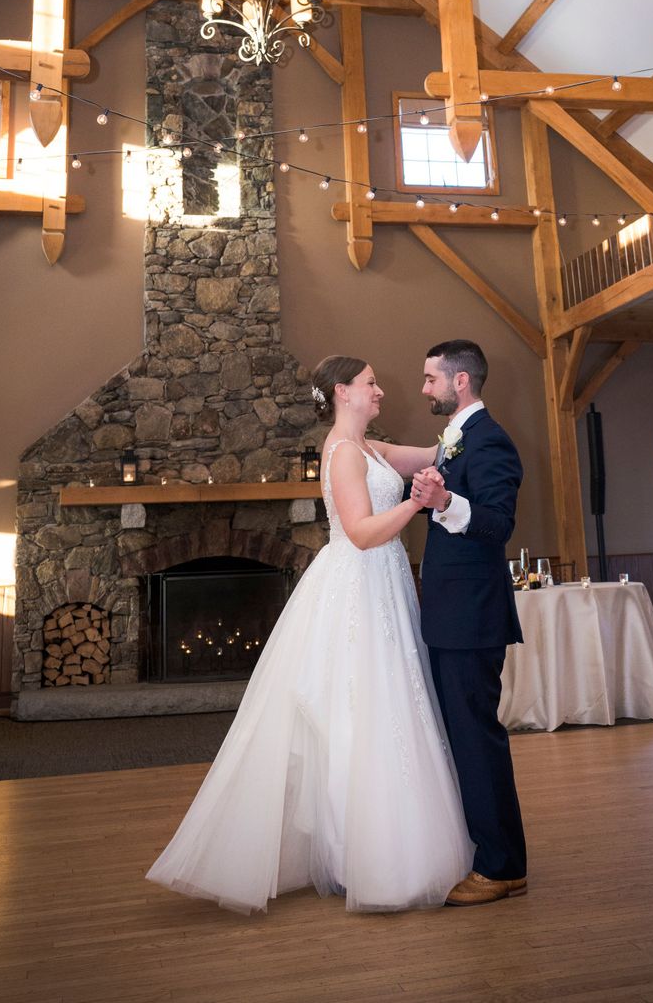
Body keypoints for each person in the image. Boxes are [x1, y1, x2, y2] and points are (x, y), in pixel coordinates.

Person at [146, 355, 472, 914]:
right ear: (343, 392)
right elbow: (363, 533)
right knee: (358, 713)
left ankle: (384, 844)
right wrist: (418, 503)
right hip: (358, 585)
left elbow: (442, 450)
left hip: (385, 589)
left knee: (390, 704)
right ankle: (362, 856)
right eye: (372, 383)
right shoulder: (343, 454)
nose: (381, 392)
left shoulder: (374, 449)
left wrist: (465, 425)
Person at [410, 339, 527, 907]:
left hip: (471, 618)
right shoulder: (456, 437)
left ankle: (501, 867)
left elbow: (498, 524)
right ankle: (490, 853)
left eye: (431, 378)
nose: (424, 387)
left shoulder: (491, 440)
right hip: (450, 616)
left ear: (460, 382)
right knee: (464, 737)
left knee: (477, 740)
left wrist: (444, 501)